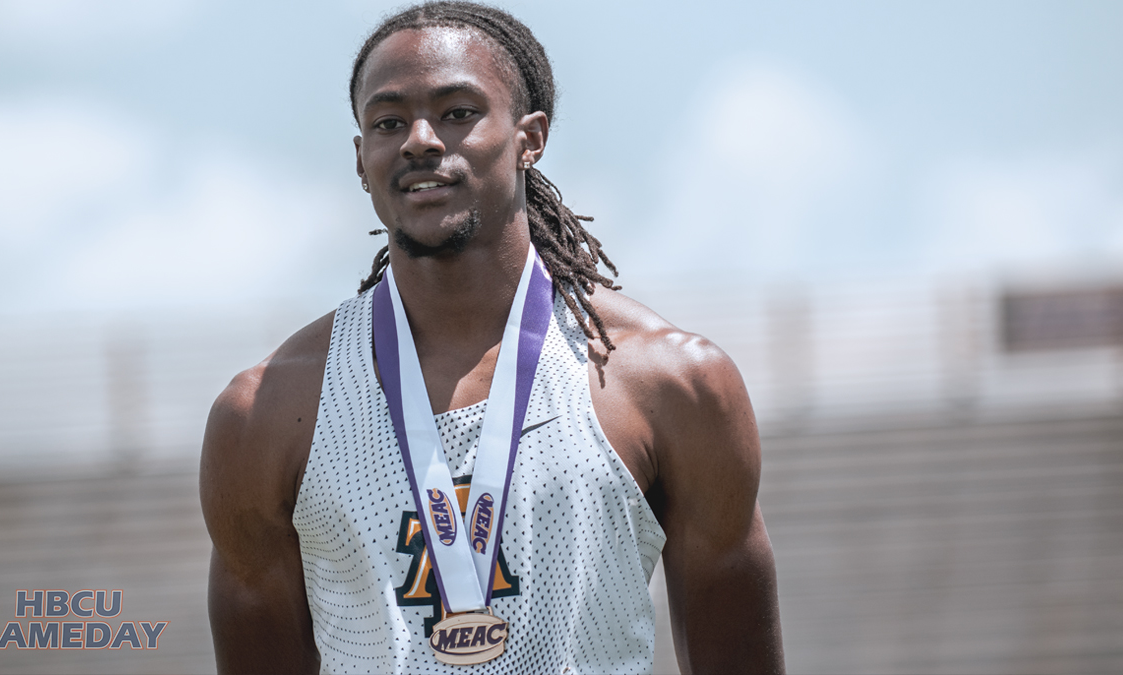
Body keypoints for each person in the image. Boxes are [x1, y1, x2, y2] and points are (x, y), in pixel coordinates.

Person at [199, 2, 784, 673]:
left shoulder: (672, 384)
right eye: (389, 122)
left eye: (457, 112)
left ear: (529, 137)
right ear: (362, 160)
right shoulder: (264, 414)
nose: (419, 138)